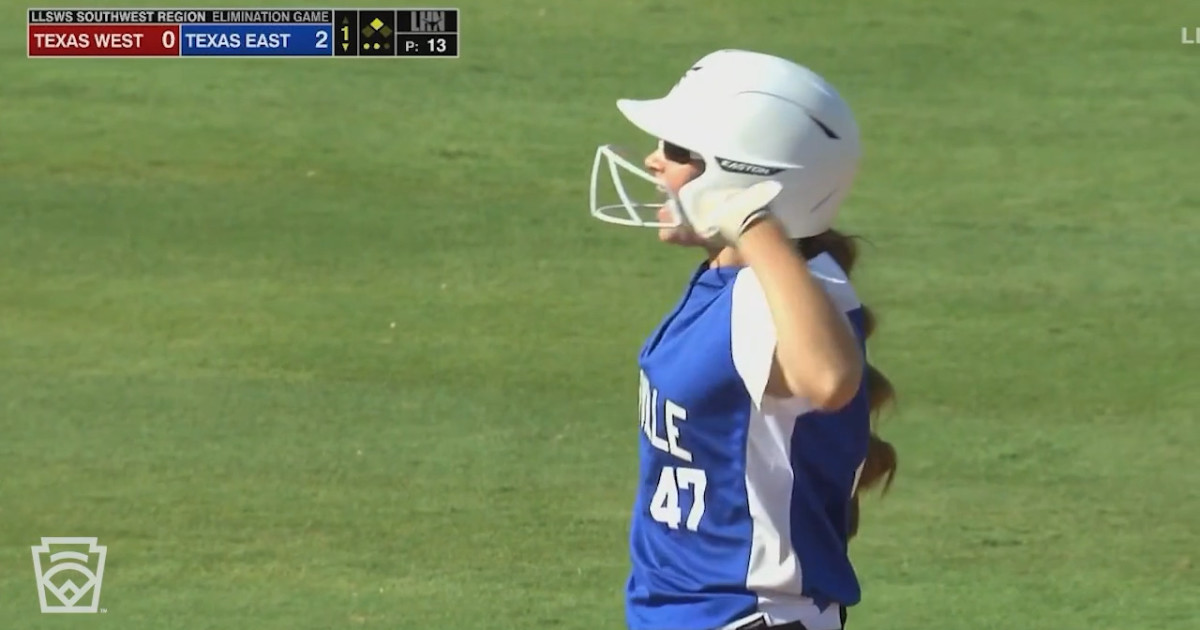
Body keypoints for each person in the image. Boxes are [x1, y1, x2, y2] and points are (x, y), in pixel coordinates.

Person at [587, 49, 899, 630]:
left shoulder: (777, 294)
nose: (655, 161)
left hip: (748, 618)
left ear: (740, 172)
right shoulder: (729, 280)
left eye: (679, 151)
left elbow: (829, 381)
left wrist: (752, 225)